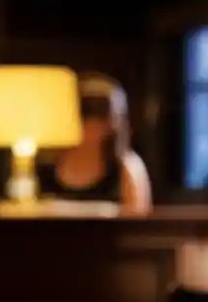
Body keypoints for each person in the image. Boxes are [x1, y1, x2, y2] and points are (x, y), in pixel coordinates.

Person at [41, 73, 152, 212]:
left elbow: (137, 224)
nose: (93, 123)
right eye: (86, 112)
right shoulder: (45, 166)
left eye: (102, 113)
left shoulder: (127, 167)